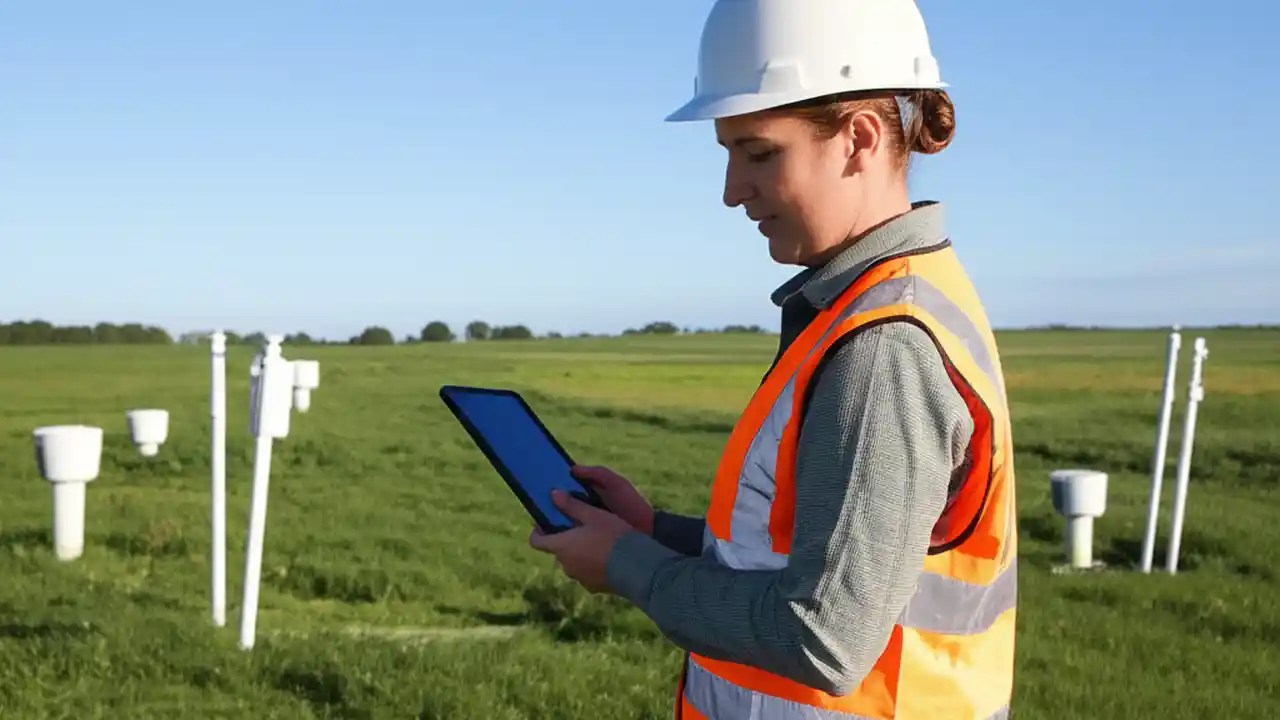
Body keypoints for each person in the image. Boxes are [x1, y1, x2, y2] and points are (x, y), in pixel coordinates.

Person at [529, 1, 1018, 718]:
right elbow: (825, 550)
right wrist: (655, 531)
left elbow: (824, 636)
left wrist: (629, 567)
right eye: (728, 153)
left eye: (759, 153)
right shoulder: (870, 309)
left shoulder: (882, 346)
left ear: (858, 139)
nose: (731, 192)